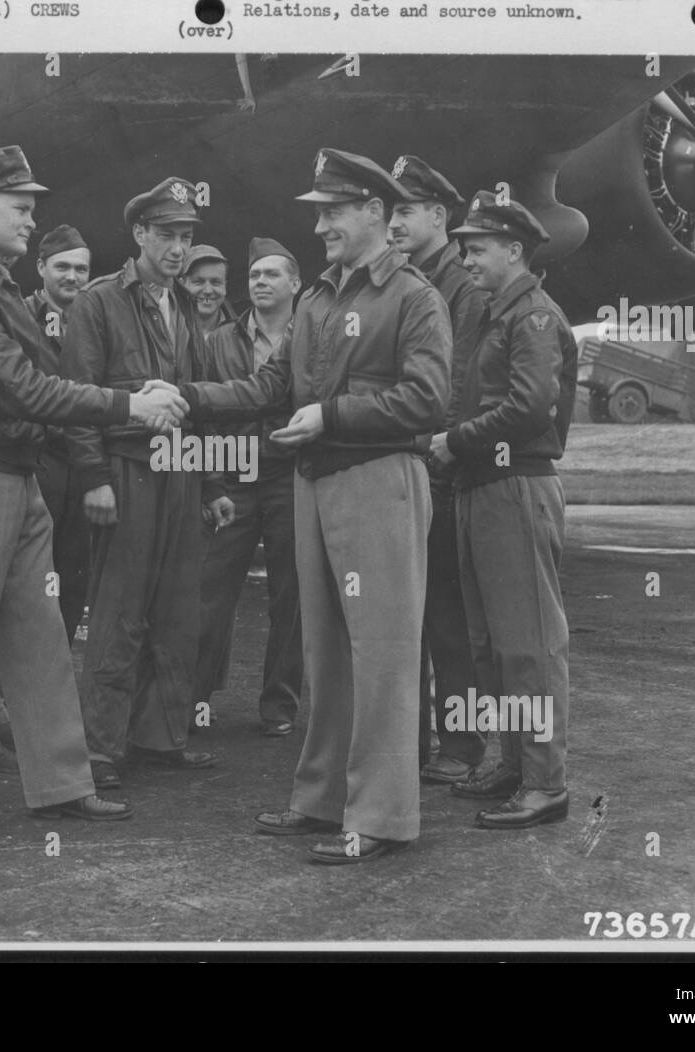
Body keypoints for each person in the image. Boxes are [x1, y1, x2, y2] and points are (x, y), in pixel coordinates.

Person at [0, 146, 188, 841]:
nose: (33, 220)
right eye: (21, 208)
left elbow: (50, 376)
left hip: (10, 473)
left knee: (40, 637)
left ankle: (61, 783)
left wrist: (125, 394)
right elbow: (27, 388)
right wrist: (130, 408)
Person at [179, 149, 451, 864]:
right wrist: (189, 398)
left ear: (374, 213)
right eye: (319, 212)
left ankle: (383, 818)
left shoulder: (414, 297)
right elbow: (270, 385)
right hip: (316, 484)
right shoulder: (318, 299)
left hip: (378, 480)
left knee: (385, 655)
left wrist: (331, 417)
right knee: (325, 651)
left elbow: (427, 401)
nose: (322, 224)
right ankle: (323, 799)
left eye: (333, 211)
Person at [60, 177, 218, 790]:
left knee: (177, 608)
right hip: (126, 469)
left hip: (178, 472)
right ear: (139, 235)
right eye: (168, 235)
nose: (179, 248)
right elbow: (77, 397)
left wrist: (209, 485)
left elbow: (197, 406)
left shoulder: (184, 307)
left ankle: (160, 736)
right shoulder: (99, 302)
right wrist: (94, 478)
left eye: (186, 237)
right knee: (120, 610)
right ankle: (100, 748)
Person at [432, 190, 577, 829]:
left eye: (477, 248)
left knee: (531, 646)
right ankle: (516, 766)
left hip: (514, 486)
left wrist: (453, 441)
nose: (466, 258)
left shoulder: (533, 318)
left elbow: (528, 409)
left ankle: (546, 783)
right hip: (480, 488)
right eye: (463, 247)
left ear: (515, 251)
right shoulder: (494, 314)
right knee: (491, 644)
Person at [388, 155, 488, 785]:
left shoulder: (463, 287)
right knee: (420, 616)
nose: (392, 222)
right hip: (421, 464)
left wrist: (434, 453)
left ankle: (462, 746)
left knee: (449, 618)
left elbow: (463, 385)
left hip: (443, 468)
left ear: (438, 216)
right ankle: (423, 744)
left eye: (404, 210)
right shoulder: (414, 279)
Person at [193, 237, 304, 737]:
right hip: (234, 476)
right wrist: (212, 479)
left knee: (291, 595)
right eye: (254, 275)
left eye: (271, 274)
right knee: (211, 592)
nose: (259, 282)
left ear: (295, 283)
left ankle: (279, 706)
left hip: (289, 474)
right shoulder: (218, 341)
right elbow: (206, 420)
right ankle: (194, 700)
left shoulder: (311, 336)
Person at [25, 224, 94, 642]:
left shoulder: (94, 319)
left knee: (73, 573)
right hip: (39, 461)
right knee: (30, 572)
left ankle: (58, 672)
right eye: (62, 267)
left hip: (81, 463)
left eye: (81, 269)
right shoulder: (18, 316)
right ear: (40, 268)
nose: (72, 277)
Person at [180, 244, 237, 337]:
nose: (208, 291)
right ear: (182, 285)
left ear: (225, 286)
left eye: (215, 282)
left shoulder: (243, 335)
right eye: (199, 282)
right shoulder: (166, 328)